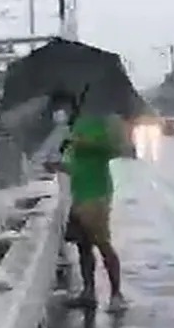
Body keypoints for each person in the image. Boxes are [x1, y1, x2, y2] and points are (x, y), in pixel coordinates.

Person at [47, 92, 127, 313]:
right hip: (80, 193)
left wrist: (82, 141)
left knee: (102, 243)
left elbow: (112, 149)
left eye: (62, 107)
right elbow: (77, 164)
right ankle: (88, 291)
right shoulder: (74, 127)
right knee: (83, 245)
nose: (60, 112)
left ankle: (116, 294)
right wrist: (59, 166)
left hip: (96, 193)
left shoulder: (97, 122)